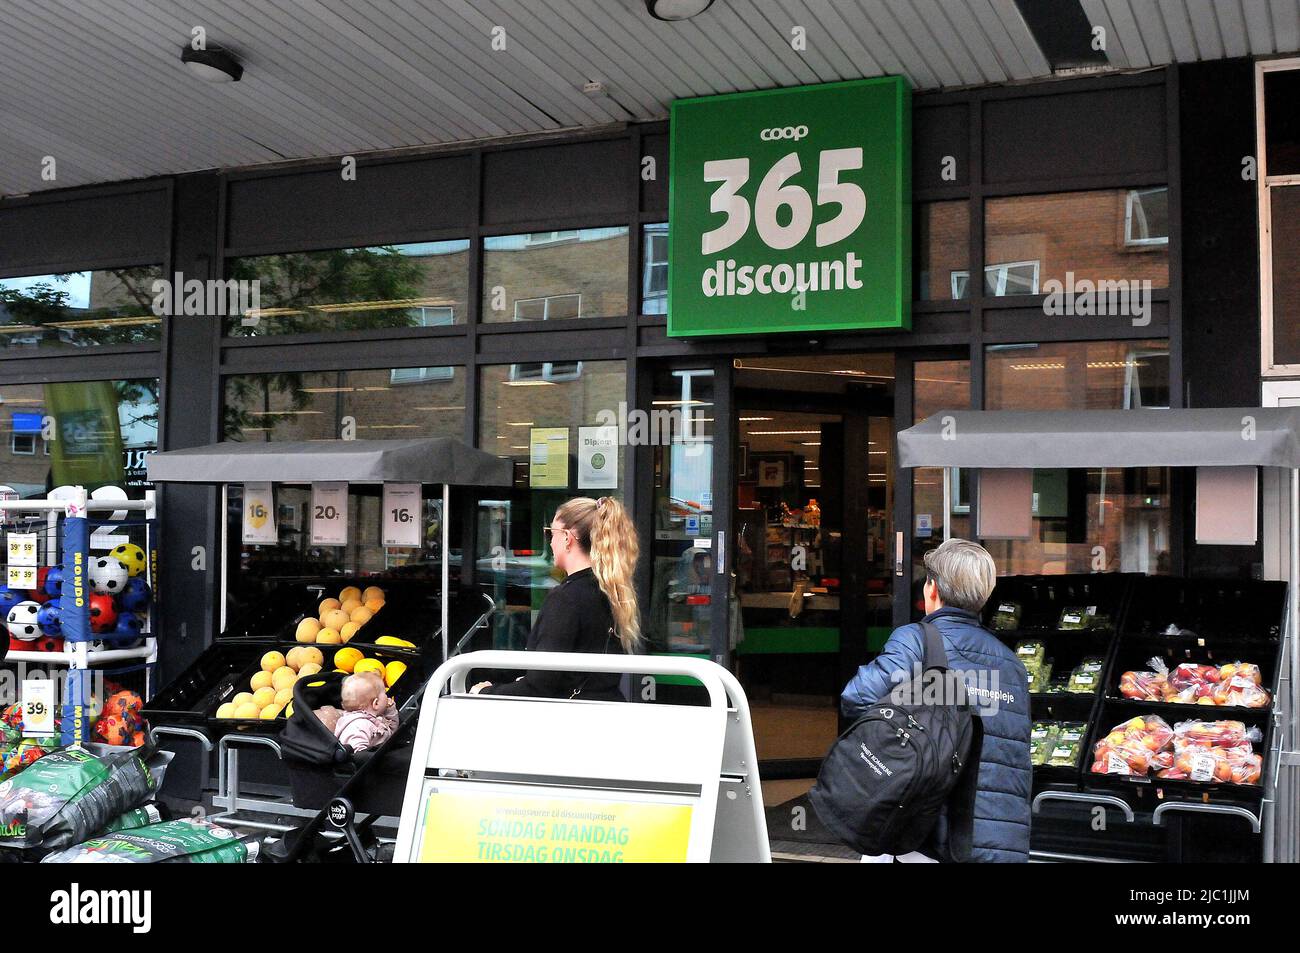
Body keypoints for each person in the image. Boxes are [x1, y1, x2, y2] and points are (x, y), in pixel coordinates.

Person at [841, 538, 1031, 863]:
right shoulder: (1011, 666)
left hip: (926, 838)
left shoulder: (917, 641)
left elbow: (858, 698)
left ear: (932, 590)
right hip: (1000, 844)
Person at [471, 496, 640, 700]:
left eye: (550, 533)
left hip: (571, 718)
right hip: (606, 709)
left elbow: (539, 687)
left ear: (567, 538)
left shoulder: (566, 598)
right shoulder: (612, 591)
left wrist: (486, 691)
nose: (550, 542)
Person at [333, 671, 399, 753]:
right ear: (376, 703)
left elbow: (392, 731)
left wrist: (390, 710)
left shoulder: (375, 717)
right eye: (385, 693)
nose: (387, 696)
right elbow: (357, 755)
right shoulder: (359, 727)